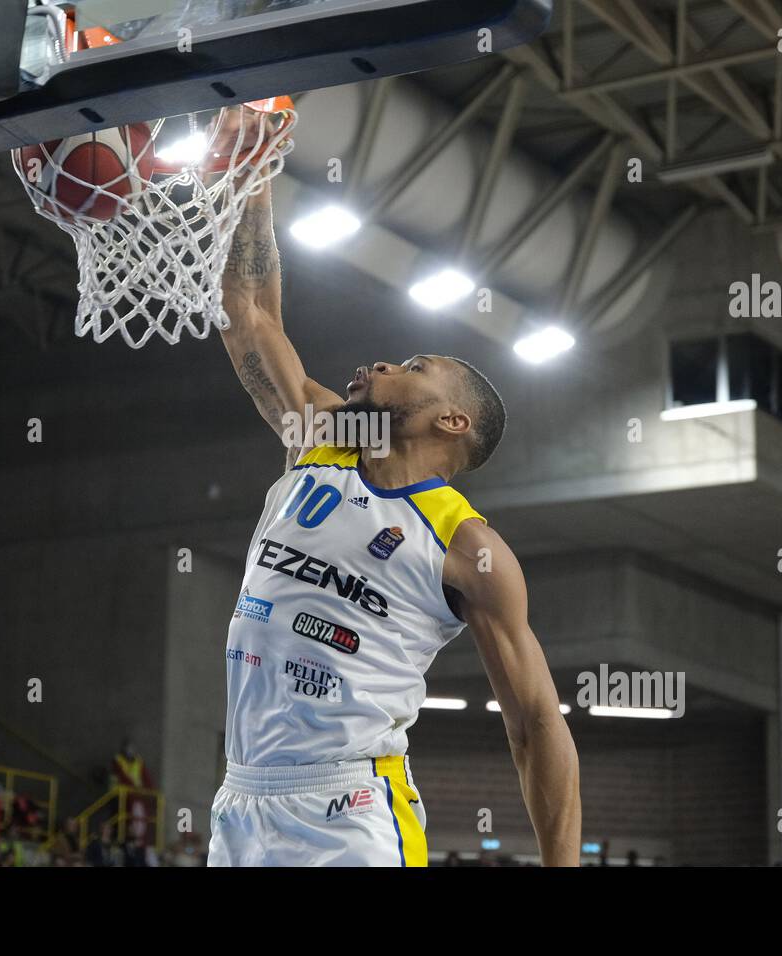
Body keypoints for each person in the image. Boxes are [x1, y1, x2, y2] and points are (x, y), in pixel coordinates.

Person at [205, 144, 581, 867]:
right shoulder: (320, 442)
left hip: (349, 810)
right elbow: (246, 312)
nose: (380, 364)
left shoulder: (468, 546)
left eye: (414, 370)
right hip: (240, 803)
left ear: (452, 422)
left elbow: (535, 721)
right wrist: (253, 167)